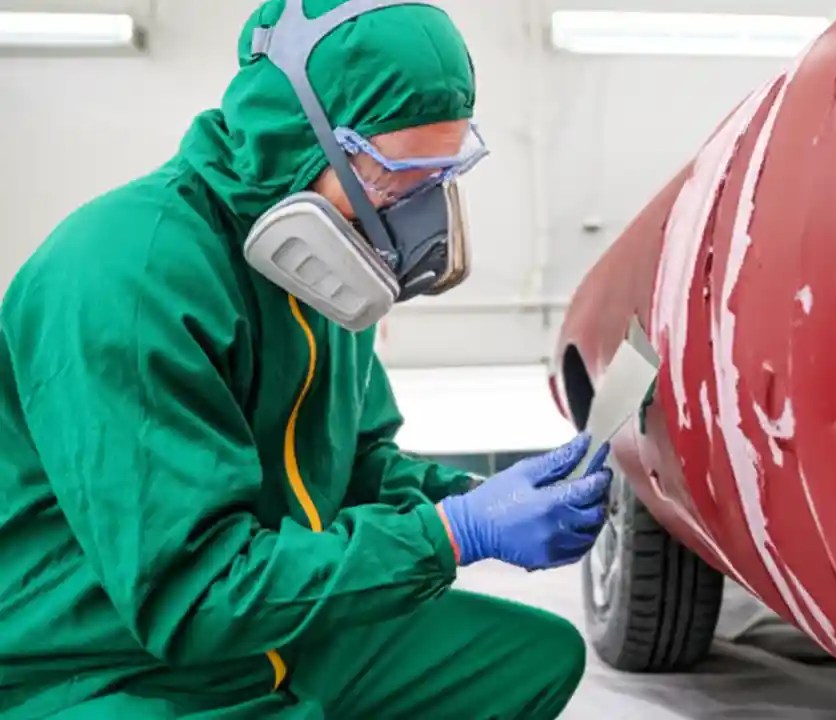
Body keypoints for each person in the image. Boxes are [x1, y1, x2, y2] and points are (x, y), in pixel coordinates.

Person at [0, 1, 613, 717]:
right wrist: (452, 536)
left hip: (274, 624)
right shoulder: (130, 278)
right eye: (398, 177)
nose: (417, 216)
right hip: (107, 660)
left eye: (441, 175)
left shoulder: (325, 273)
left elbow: (352, 467)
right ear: (300, 135)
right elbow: (193, 597)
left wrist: (481, 497)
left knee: (530, 659)